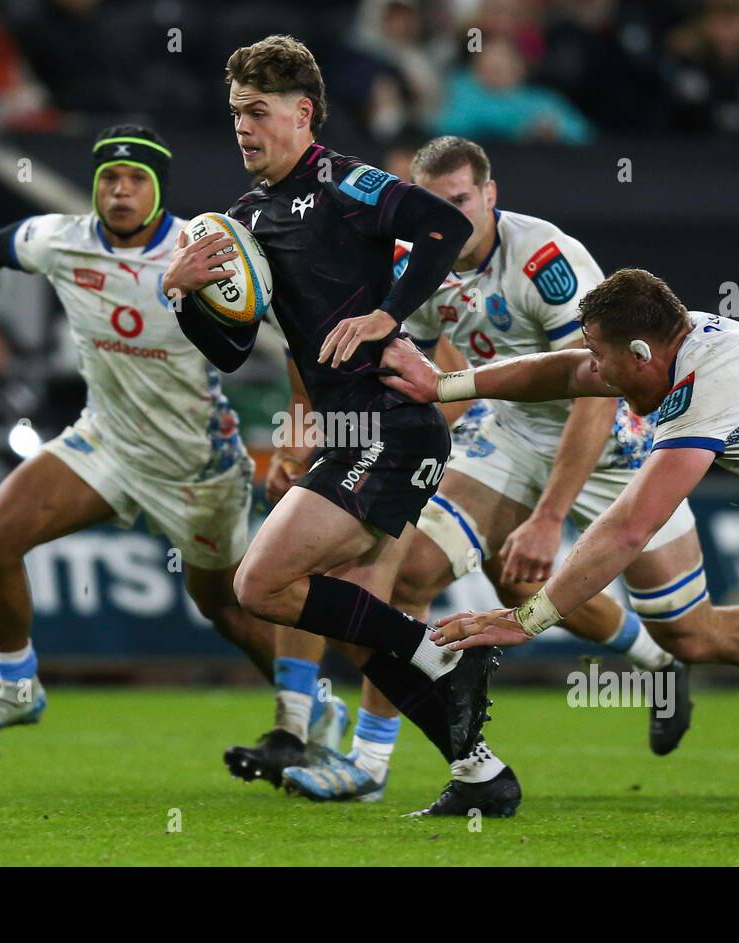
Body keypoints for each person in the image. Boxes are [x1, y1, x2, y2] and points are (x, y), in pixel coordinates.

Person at [383, 267, 739, 765]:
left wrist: (526, 620)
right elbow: (566, 371)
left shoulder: (706, 389)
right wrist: (444, 385)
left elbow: (629, 526)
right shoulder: (678, 339)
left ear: (640, 352)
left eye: (602, 356)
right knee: (684, 630)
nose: (598, 371)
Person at [280, 136, 698, 811]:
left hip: (606, 436)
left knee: (693, 625)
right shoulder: (418, 267)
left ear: (490, 195)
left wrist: (549, 517)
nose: (454, 217)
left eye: (463, 201)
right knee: (410, 571)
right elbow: (385, 356)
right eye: (436, 205)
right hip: (508, 432)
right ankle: (370, 761)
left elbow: (596, 387)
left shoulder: (544, 261)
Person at [0, 125, 330, 753]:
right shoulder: (61, 239)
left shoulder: (206, 249)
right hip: (105, 443)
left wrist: (298, 430)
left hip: (196, 465)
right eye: (108, 179)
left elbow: (299, 335)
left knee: (230, 609)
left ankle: (312, 718)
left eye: (135, 180)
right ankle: (18, 690)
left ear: (158, 190)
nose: (120, 191)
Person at [161, 35, 511, 816]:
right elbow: (234, 346)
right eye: (234, 114)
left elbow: (442, 231)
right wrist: (183, 296)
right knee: (361, 632)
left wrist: (387, 312)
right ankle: (483, 771)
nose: (243, 128)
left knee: (259, 582)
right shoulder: (246, 217)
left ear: (302, 113)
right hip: (351, 436)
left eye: (257, 111)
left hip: (394, 424)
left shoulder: (344, 181)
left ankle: (441, 658)